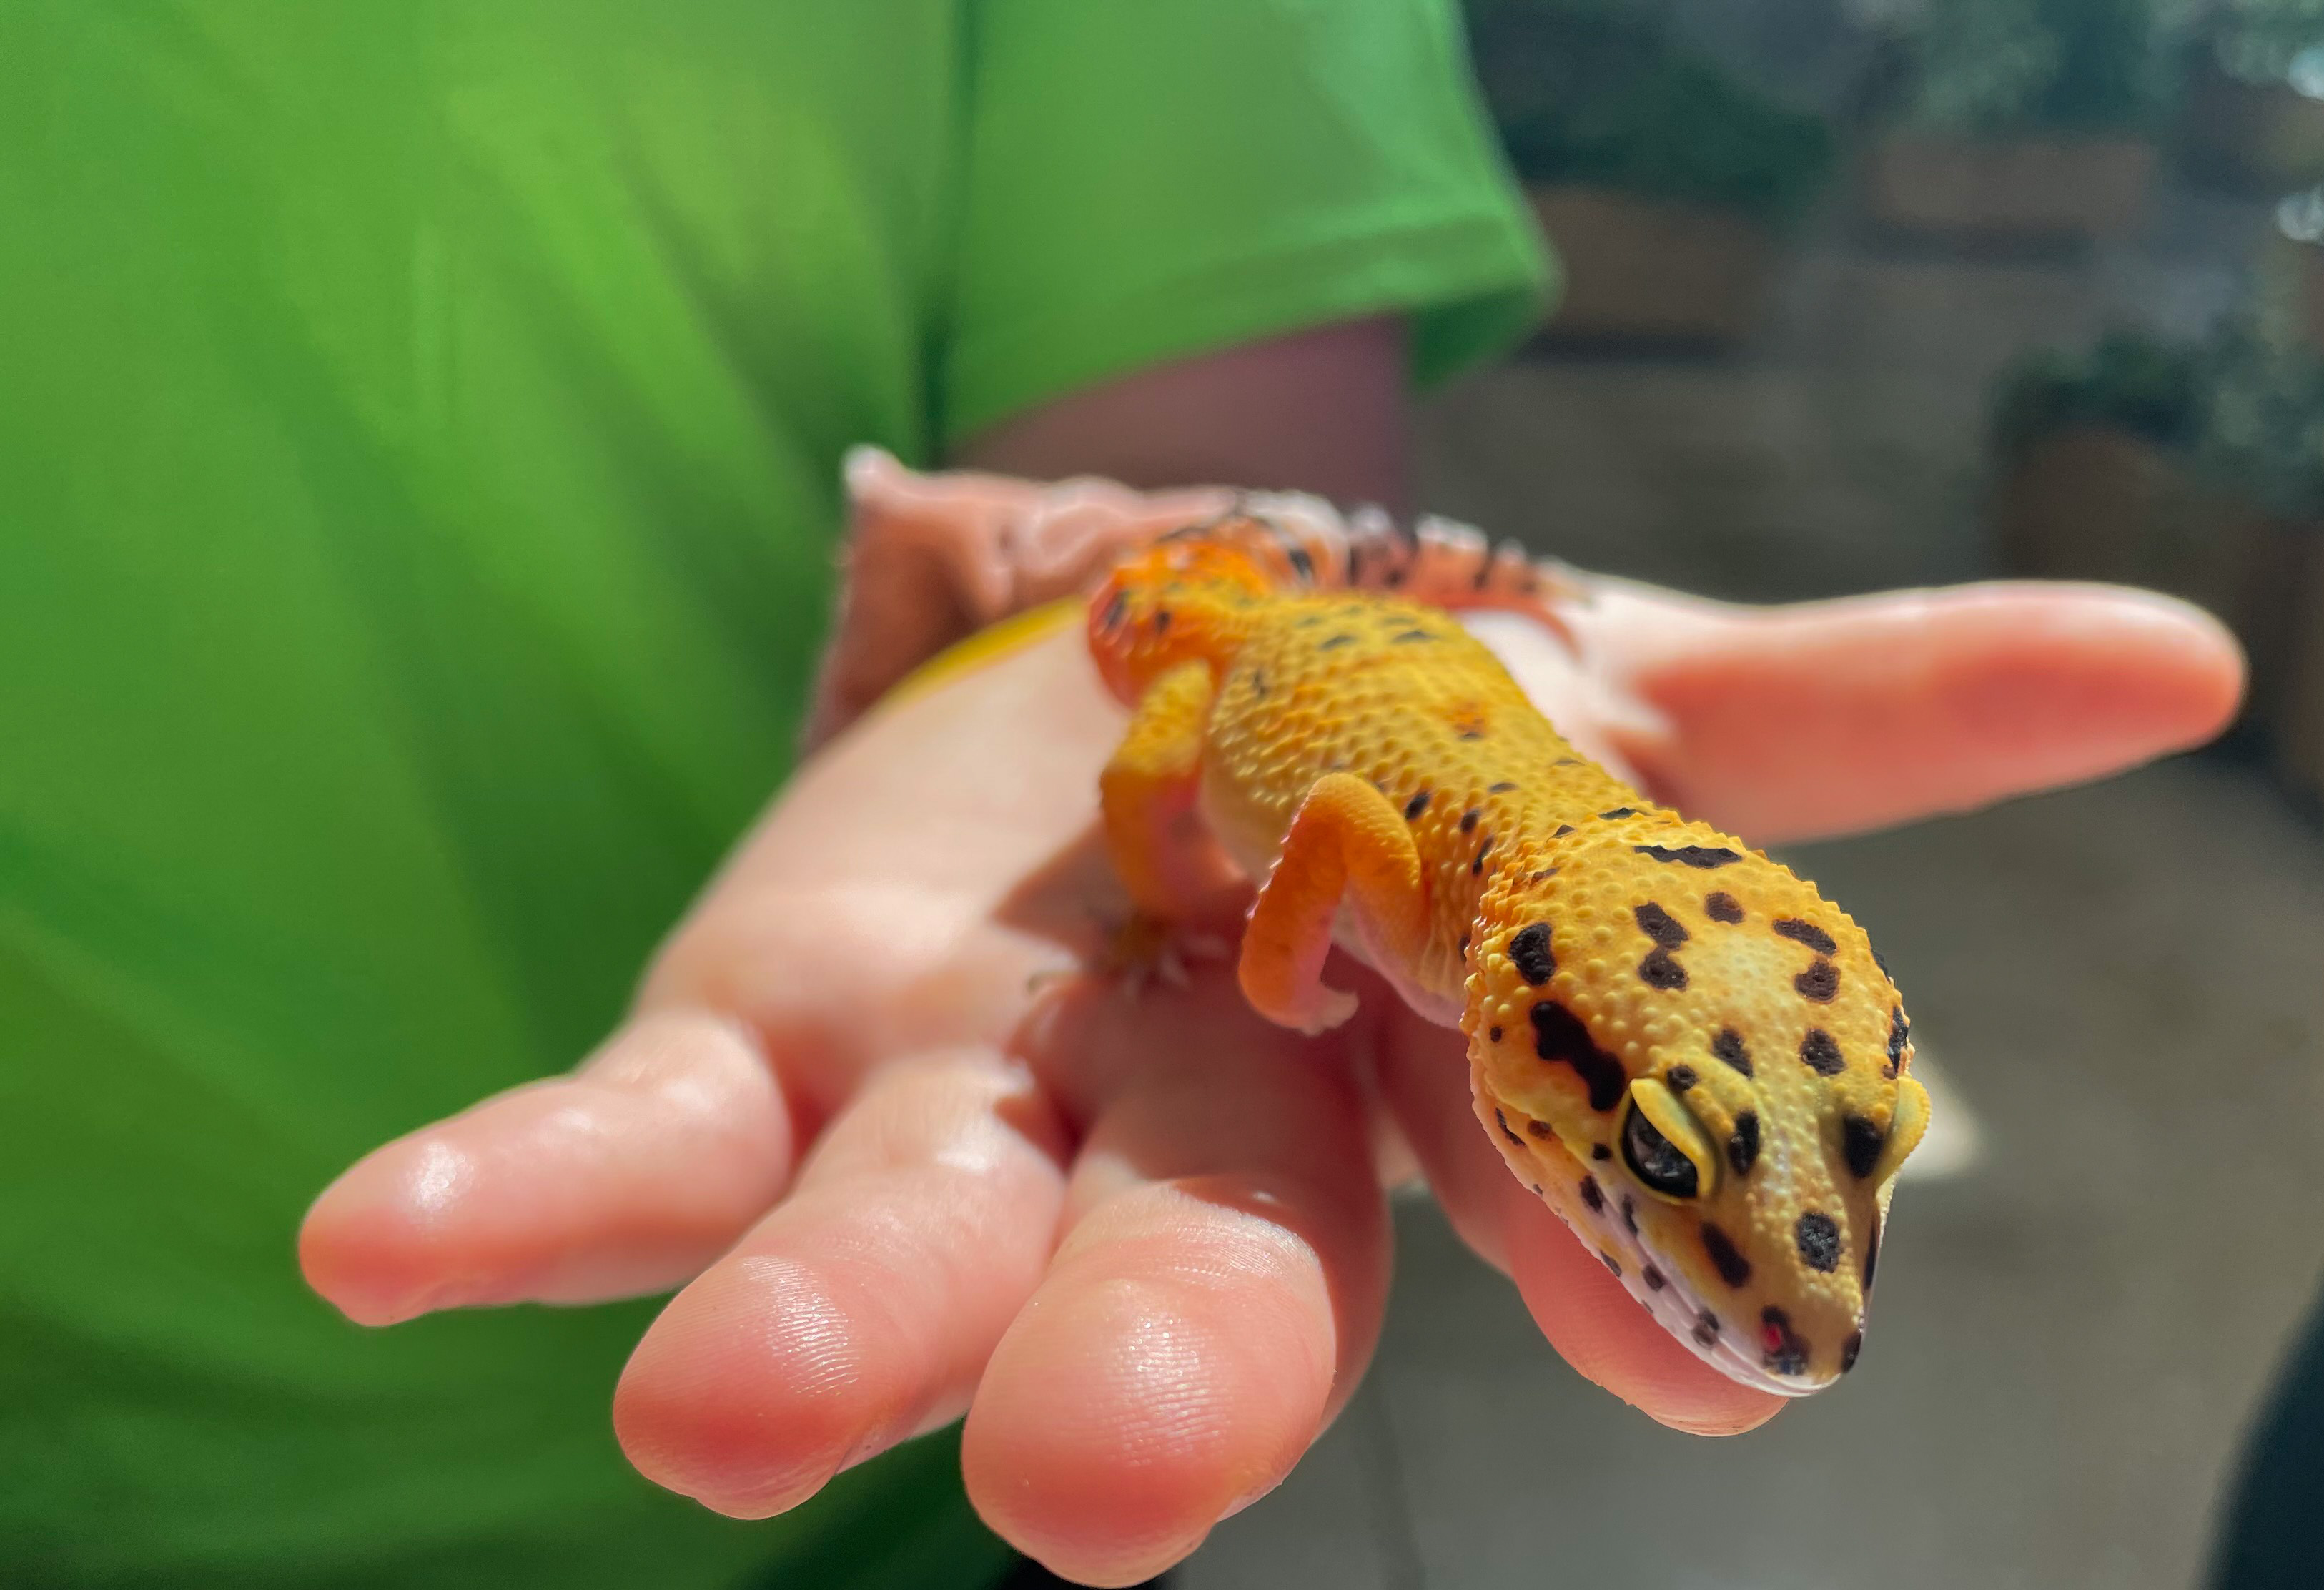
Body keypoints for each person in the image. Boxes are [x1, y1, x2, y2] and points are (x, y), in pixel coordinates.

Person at [0, 4, 2242, 1590]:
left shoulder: (1599, 926)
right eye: (1666, 1166)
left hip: (912, 1470)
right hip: (1238, 672)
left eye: (1833, 1150)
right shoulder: (1425, 911)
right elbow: (1319, 842)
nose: (1793, 1285)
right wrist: (1223, 946)